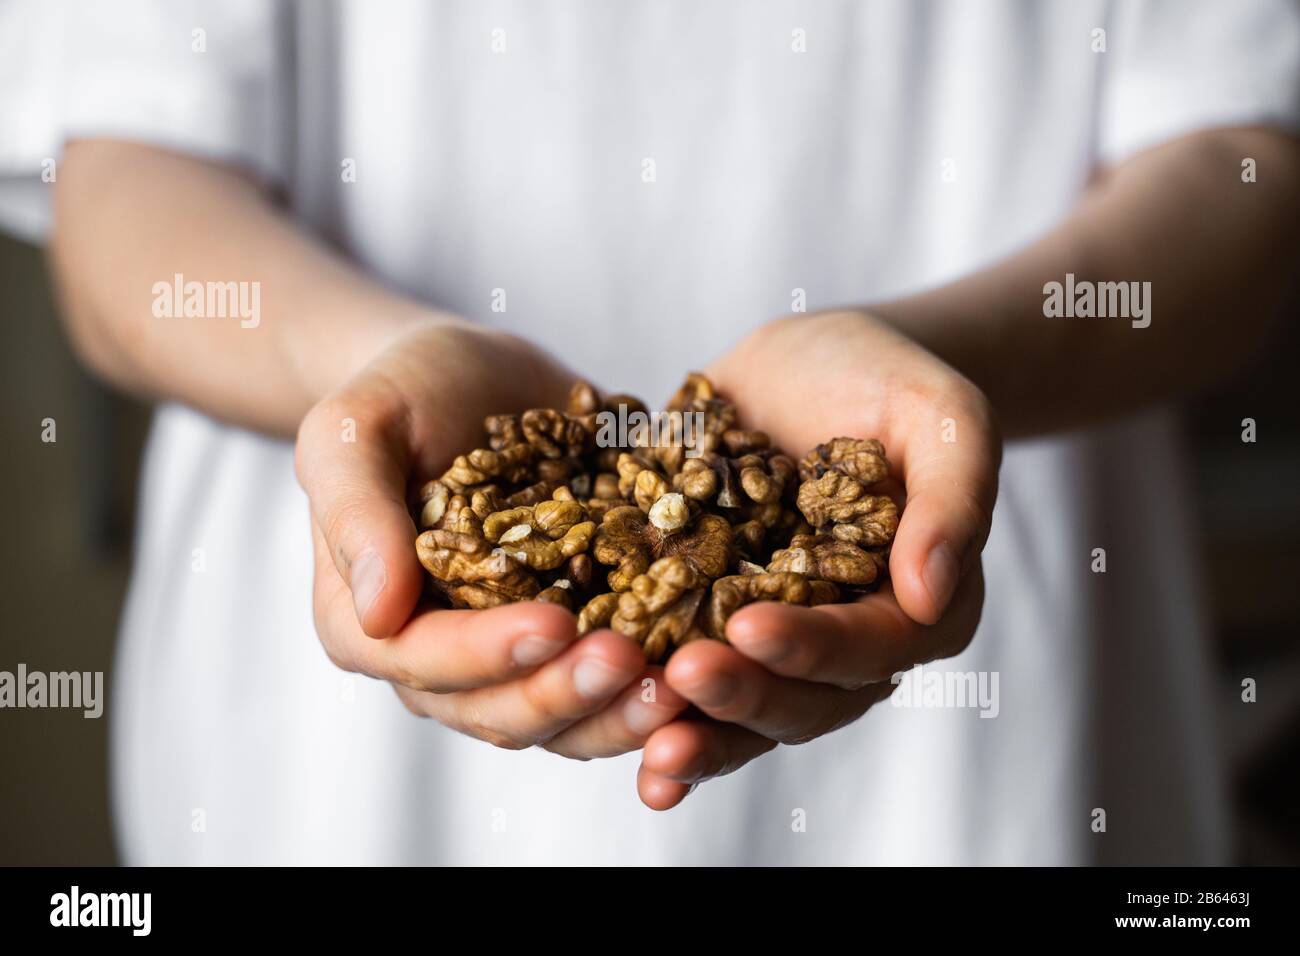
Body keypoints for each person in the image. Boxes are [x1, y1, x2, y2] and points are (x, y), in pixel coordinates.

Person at [2, 0, 1297, 865]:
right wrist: (371, 376)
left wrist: (946, 368)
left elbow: (1244, 169)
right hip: (330, 792)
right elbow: (124, 179)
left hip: (991, 777)